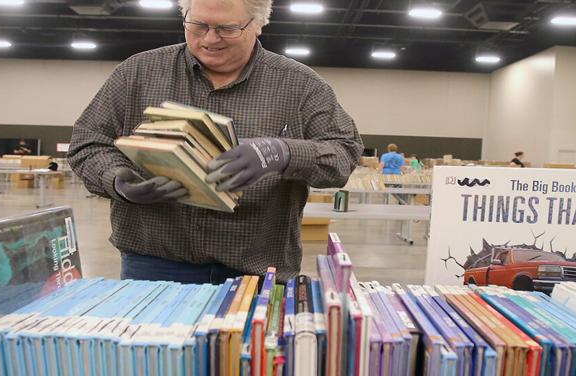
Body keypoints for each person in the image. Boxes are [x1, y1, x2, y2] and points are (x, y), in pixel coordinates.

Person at [70, 0, 361, 283]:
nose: (210, 39)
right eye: (198, 25)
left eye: (227, 28)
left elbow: (344, 152)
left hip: (257, 273)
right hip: (153, 266)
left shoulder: (300, 85)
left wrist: (282, 153)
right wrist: (117, 180)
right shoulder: (137, 73)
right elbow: (88, 142)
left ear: (259, 24)